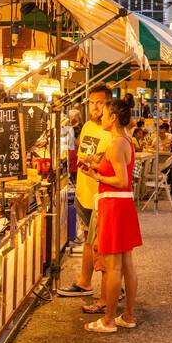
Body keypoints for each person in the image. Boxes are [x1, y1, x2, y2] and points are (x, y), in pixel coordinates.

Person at [81, 97, 142, 331]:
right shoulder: (126, 141)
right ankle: (127, 316)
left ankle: (108, 320)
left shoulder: (116, 143)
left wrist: (97, 177)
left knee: (114, 266)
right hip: (122, 205)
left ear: (114, 117)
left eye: (105, 114)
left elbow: (121, 180)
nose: (101, 117)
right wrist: (97, 166)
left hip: (114, 206)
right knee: (127, 264)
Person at [56, 85, 113, 302]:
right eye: (91, 102)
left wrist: (96, 163)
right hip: (84, 193)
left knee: (104, 246)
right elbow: (82, 153)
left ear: (109, 104)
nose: (95, 107)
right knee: (89, 242)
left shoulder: (112, 131)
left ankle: (113, 286)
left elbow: (113, 164)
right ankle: (84, 282)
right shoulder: (88, 126)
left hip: (101, 196)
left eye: (100, 103)